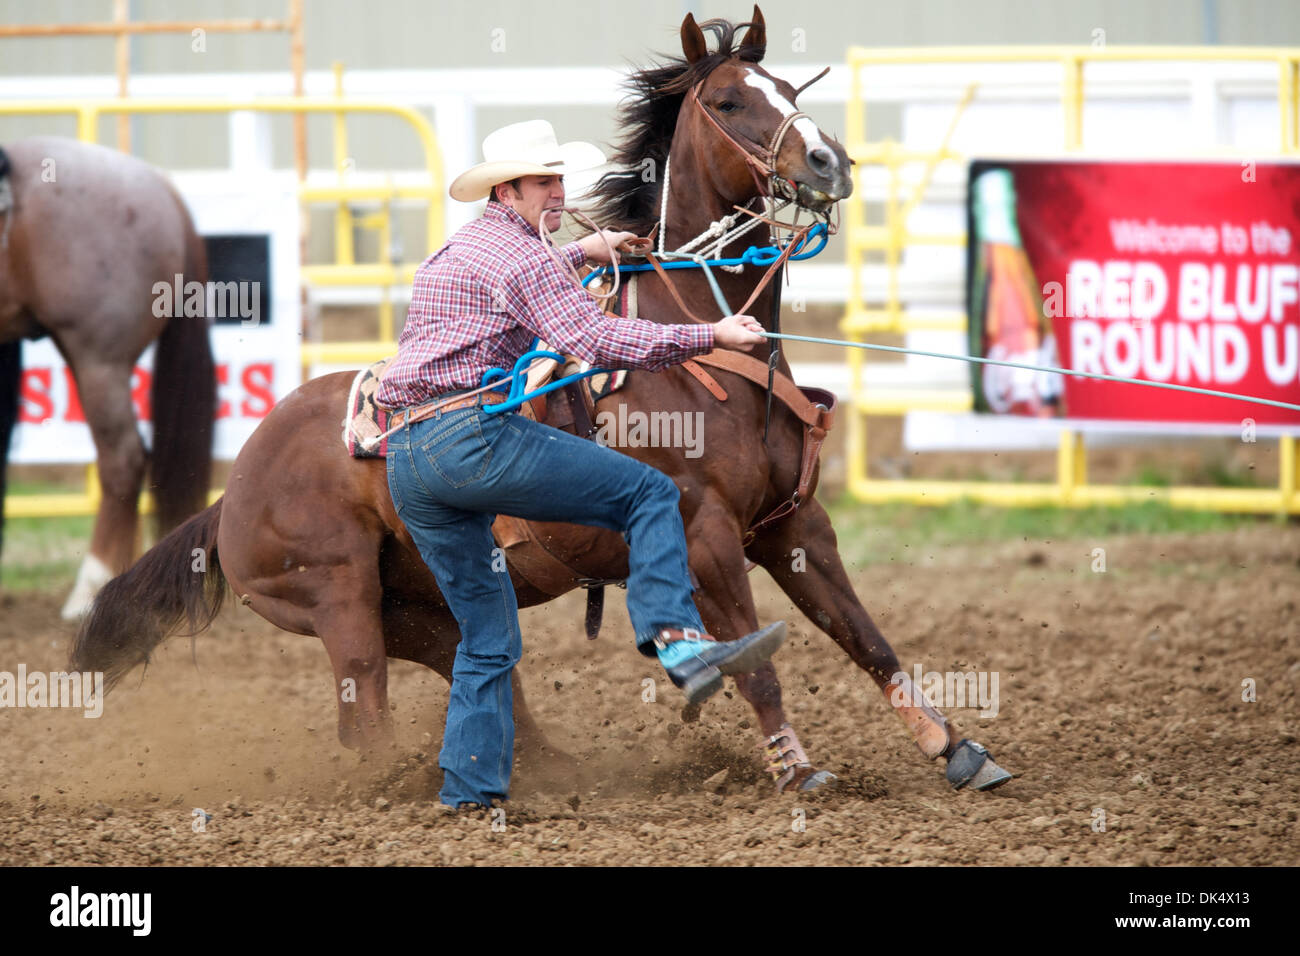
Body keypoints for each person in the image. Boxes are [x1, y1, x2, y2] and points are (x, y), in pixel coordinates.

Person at [378, 120, 786, 808]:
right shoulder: (526, 258)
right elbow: (592, 338)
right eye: (544, 182)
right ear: (507, 190)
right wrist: (709, 333)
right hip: (471, 440)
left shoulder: (464, 248)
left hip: (408, 459)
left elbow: (514, 283)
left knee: (487, 637)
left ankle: (469, 793)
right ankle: (677, 639)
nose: (559, 193)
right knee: (649, 494)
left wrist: (582, 253)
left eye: (560, 179)